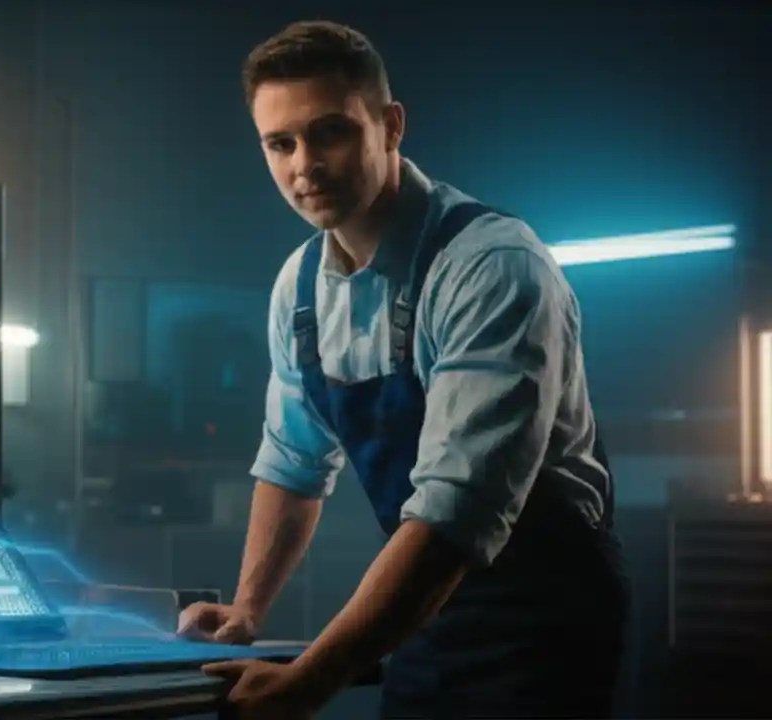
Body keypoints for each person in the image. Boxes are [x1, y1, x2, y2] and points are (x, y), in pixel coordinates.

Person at [177, 20, 628, 719]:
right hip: (422, 613)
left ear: (390, 126)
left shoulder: (493, 266)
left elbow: (455, 512)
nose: (304, 165)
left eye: (330, 132)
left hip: (542, 621)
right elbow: (293, 462)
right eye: (280, 143)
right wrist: (246, 609)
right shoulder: (299, 286)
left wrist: (307, 683)